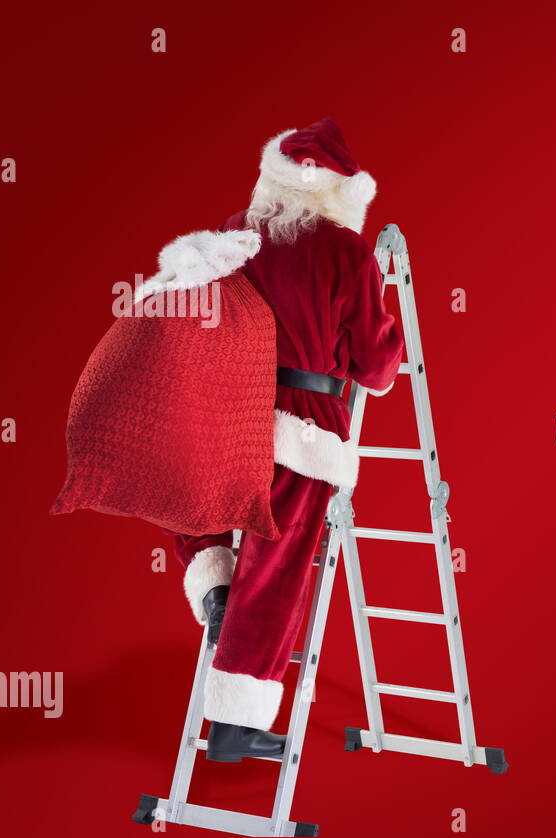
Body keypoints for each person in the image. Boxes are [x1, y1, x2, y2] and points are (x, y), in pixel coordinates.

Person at [169, 118, 404, 761]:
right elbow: (377, 368)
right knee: (275, 562)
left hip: (228, 403)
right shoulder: (348, 256)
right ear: (339, 192)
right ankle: (237, 725)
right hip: (301, 420)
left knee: (202, 510)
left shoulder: (230, 234)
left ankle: (214, 583)